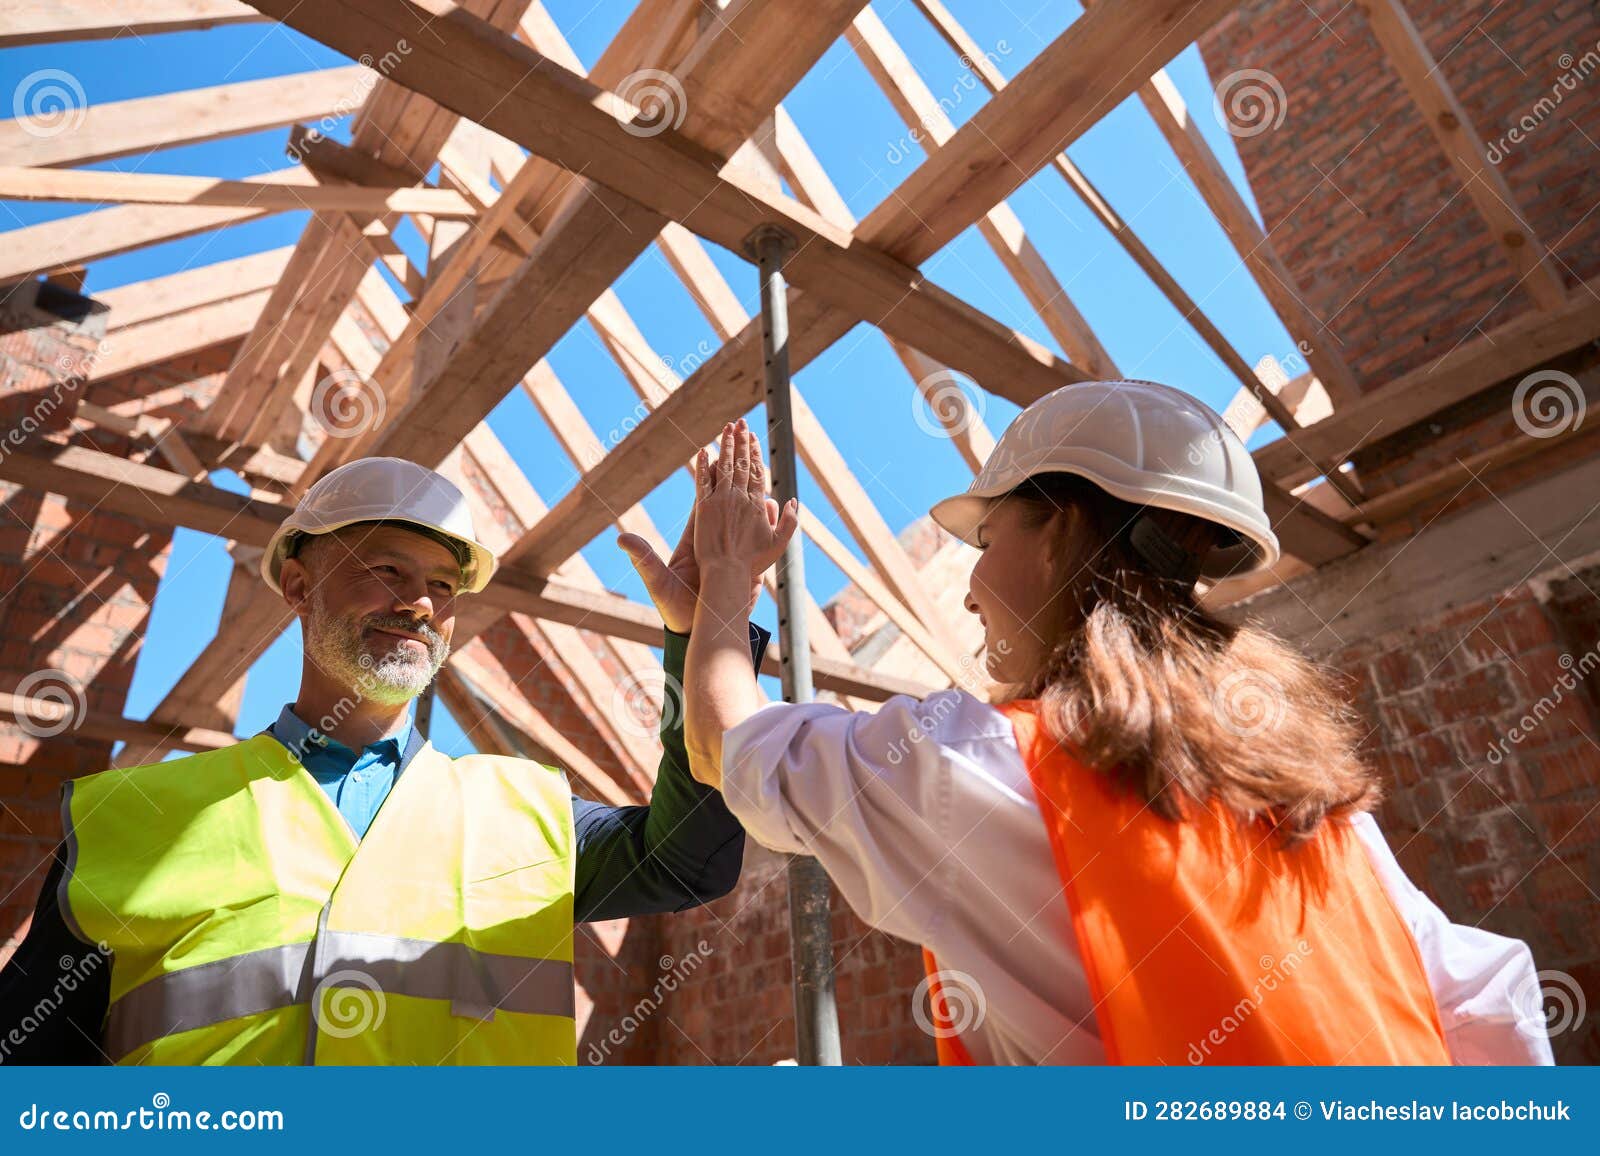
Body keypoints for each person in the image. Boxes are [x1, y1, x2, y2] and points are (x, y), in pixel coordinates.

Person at [678, 395, 1553, 1066]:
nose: (972, 589)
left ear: (1056, 532)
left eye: (986, 539)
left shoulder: (977, 765)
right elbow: (1487, 1001)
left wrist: (723, 582)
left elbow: (726, 746)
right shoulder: (1318, 809)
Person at [0, 456, 773, 1065]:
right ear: (297, 585)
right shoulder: (129, 820)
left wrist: (709, 629)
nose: (421, 603)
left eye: (442, 584)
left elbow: (692, 861)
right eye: (386, 573)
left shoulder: (525, 813)